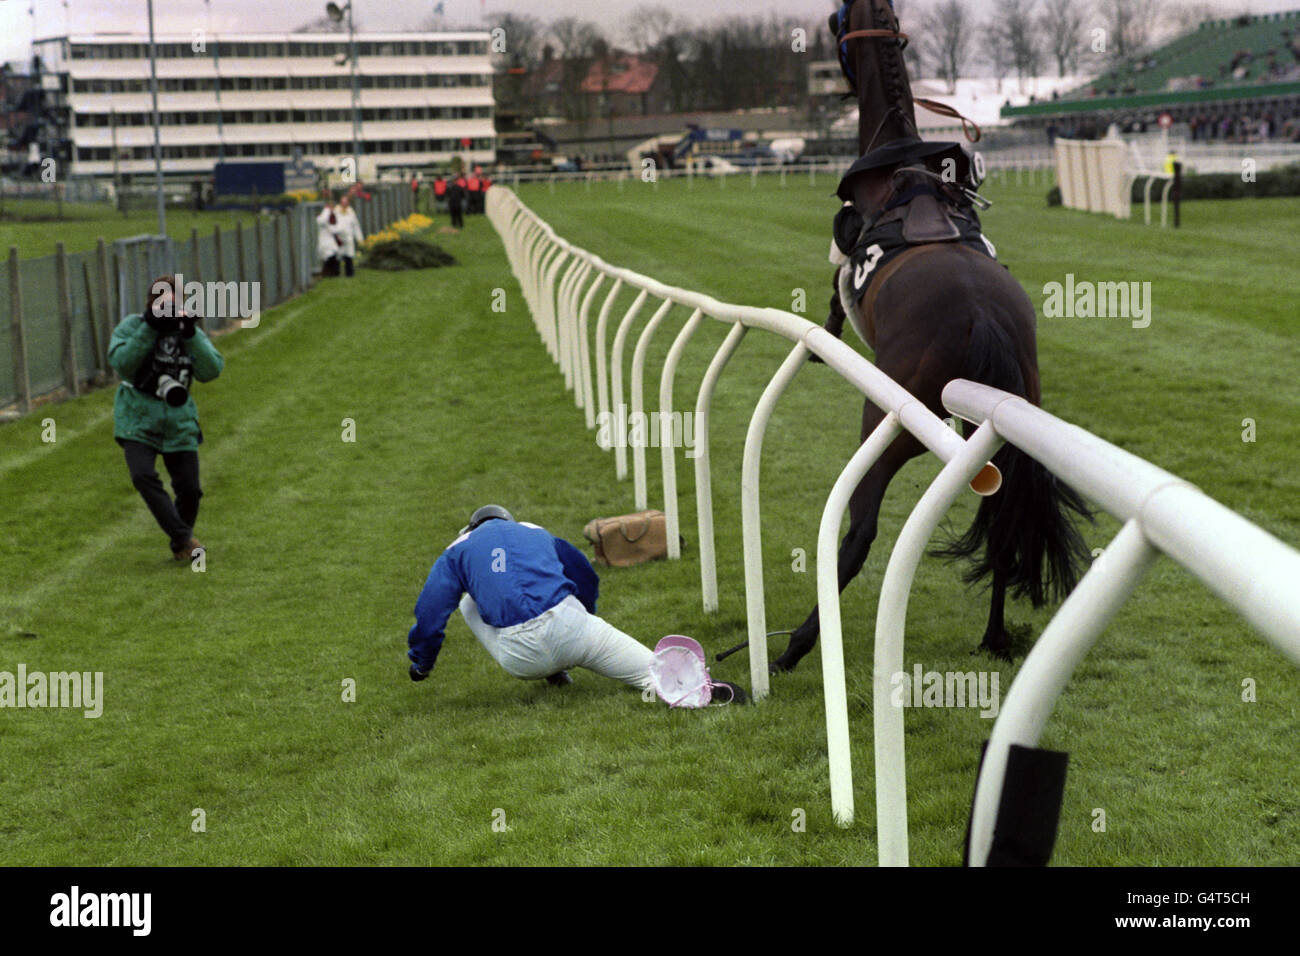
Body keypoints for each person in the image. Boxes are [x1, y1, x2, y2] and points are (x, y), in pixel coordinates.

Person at [406, 506, 746, 704]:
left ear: (471, 527)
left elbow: (431, 613)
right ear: (508, 520)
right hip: (575, 629)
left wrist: (421, 664)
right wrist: (586, 621)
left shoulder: (457, 549)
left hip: (520, 657)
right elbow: (584, 574)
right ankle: (704, 691)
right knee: (651, 674)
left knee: (467, 604)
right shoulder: (535, 531)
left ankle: (554, 670)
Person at [107, 274, 224, 562]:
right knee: (142, 476)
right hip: (137, 418)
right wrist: (150, 327)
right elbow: (122, 365)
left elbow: (211, 370)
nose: (169, 309)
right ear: (150, 303)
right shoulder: (133, 327)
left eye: (174, 303)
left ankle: (180, 543)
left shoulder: (188, 331)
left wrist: (191, 334)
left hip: (179, 420)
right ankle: (186, 540)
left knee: (191, 491)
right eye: (163, 304)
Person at [333, 194, 365, 276]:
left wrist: (359, 238)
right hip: (338, 237)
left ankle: (349, 273)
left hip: (348, 237)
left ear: (348, 203)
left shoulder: (351, 212)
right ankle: (336, 273)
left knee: (349, 255)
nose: (344, 204)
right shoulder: (335, 211)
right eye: (342, 202)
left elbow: (355, 225)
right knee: (337, 255)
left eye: (345, 202)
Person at [316, 198, 341, 277]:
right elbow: (323, 222)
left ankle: (332, 273)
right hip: (325, 239)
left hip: (330, 239)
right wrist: (327, 211)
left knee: (332, 255)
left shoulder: (332, 213)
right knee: (329, 256)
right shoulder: (325, 213)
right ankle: (328, 273)